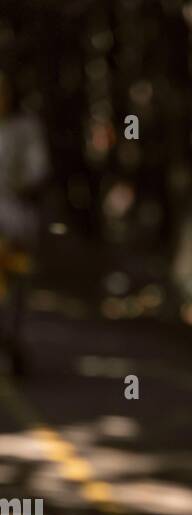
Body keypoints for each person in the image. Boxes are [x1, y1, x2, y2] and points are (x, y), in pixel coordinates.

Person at [0, 74, 49, 375]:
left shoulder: (25, 128)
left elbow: (37, 172)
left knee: (14, 290)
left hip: (14, 222)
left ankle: (10, 342)